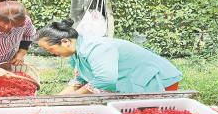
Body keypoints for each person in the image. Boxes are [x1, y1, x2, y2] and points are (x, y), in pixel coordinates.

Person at [36, 19, 182, 94]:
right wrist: (60, 98)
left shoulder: (96, 48)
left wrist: (76, 95)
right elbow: (78, 78)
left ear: (65, 42)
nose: (51, 53)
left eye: (50, 49)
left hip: (156, 79)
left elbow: (105, 79)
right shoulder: (77, 52)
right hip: (133, 80)